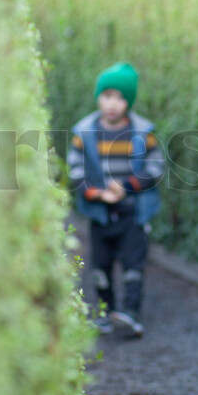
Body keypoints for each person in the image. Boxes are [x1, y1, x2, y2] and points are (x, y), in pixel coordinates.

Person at [68, 62, 164, 338]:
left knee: (134, 263)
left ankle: (131, 313)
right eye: (107, 95)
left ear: (129, 102)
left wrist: (125, 187)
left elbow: (155, 169)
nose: (113, 103)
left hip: (133, 212)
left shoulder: (143, 133)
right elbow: (75, 169)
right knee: (101, 264)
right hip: (101, 212)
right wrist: (96, 192)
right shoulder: (85, 133)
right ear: (98, 97)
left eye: (121, 98)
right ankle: (104, 312)